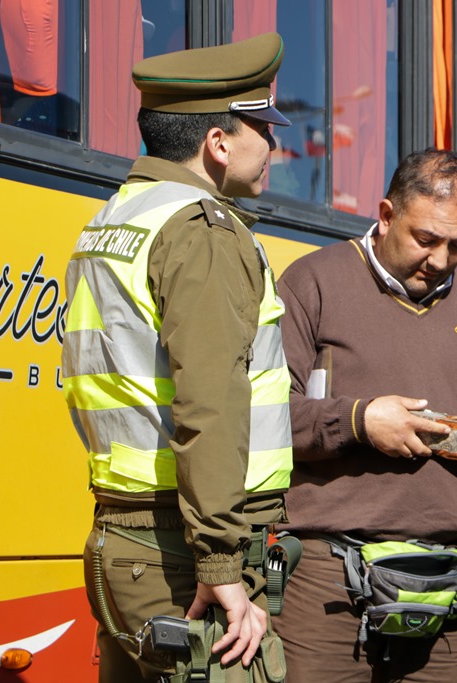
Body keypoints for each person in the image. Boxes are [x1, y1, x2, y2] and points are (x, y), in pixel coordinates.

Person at [272, 147, 457, 682]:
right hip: (327, 581)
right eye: (426, 239)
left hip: (442, 582)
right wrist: (361, 421)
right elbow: (268, 415)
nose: (439, 259)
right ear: (386, 215)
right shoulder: (312, 281)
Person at [61, 33, 294, 682]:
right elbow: (211, 405)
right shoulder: (202, 231)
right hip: (182, 553)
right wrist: (220, 562)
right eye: (263, 129)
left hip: (121, 536)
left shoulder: (114, 219)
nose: (273, 146)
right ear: (219, 143)